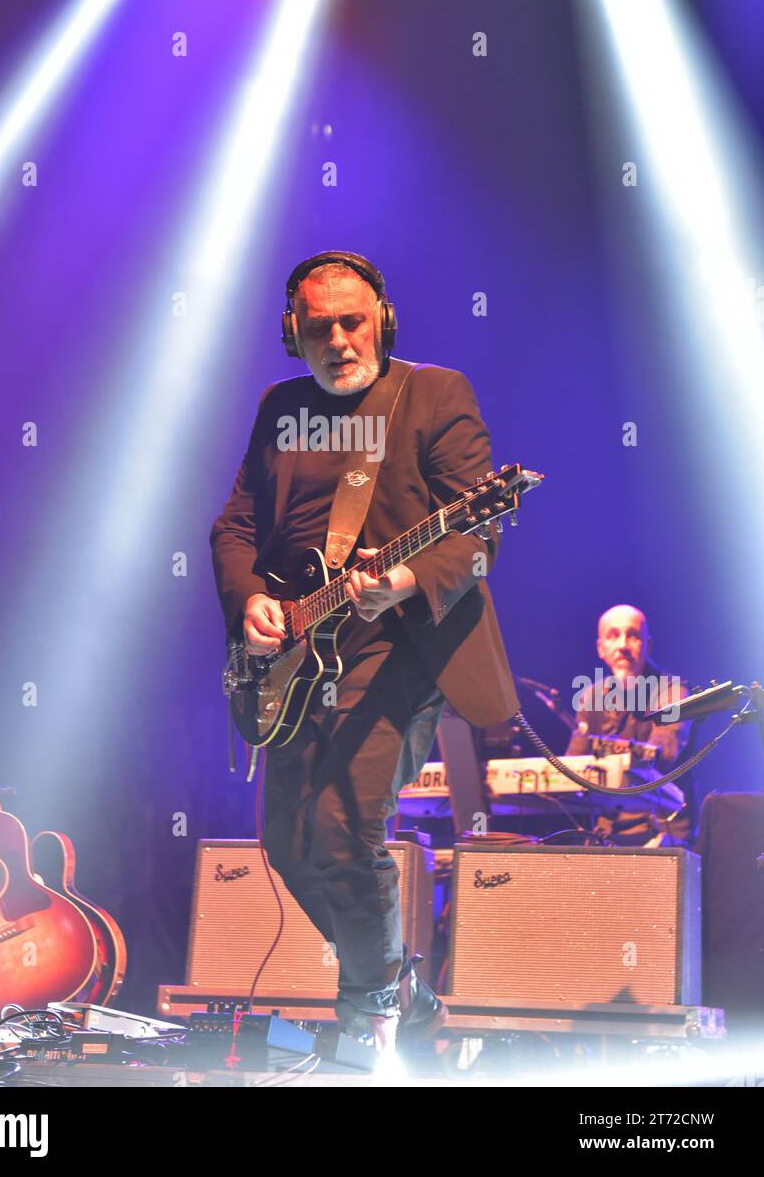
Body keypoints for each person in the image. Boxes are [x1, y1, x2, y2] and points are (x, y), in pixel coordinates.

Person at [210, 251, 517, 1056]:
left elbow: (475, 533)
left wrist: (407, 577)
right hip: (296, 659)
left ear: (382, 317)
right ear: (292, 334)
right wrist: (252, 602)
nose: (340, 341)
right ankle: (405, 992)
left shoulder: (433, 394)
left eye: (353, 322)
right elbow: (235, 528)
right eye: (320, 328)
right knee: (286, 844)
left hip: (398, 649)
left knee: (343, 830)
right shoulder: (281, 408)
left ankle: (369, 1015)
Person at [565, 604, 692, 846]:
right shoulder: (591, 697)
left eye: (632, 635)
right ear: (601, 648)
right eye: (613, 636)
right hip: (607, 829)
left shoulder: (672, 691)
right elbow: (573, 768)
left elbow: (661, 755)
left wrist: (610, 754)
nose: (623, 645)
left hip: (663, 829)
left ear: (648, 645)